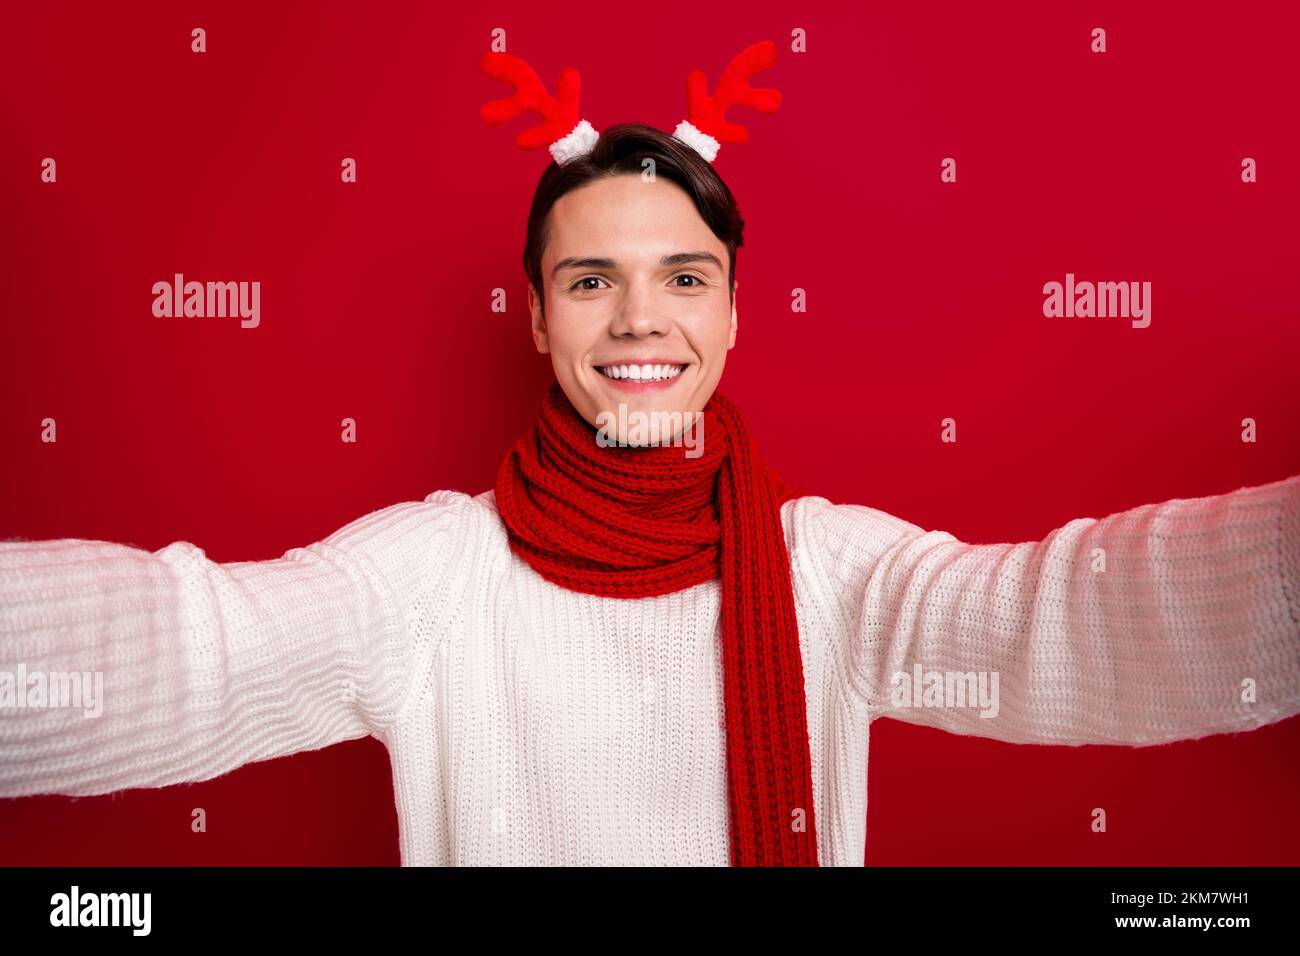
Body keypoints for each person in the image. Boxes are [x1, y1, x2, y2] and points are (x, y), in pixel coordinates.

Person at [2, 46, 1298, 867]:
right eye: (590, 280)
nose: (639, 320)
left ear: (733, 313)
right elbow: (195, 648)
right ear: (535, 313)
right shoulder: (436, 576)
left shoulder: (826, 574)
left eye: (685, 277)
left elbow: (1073, 624)